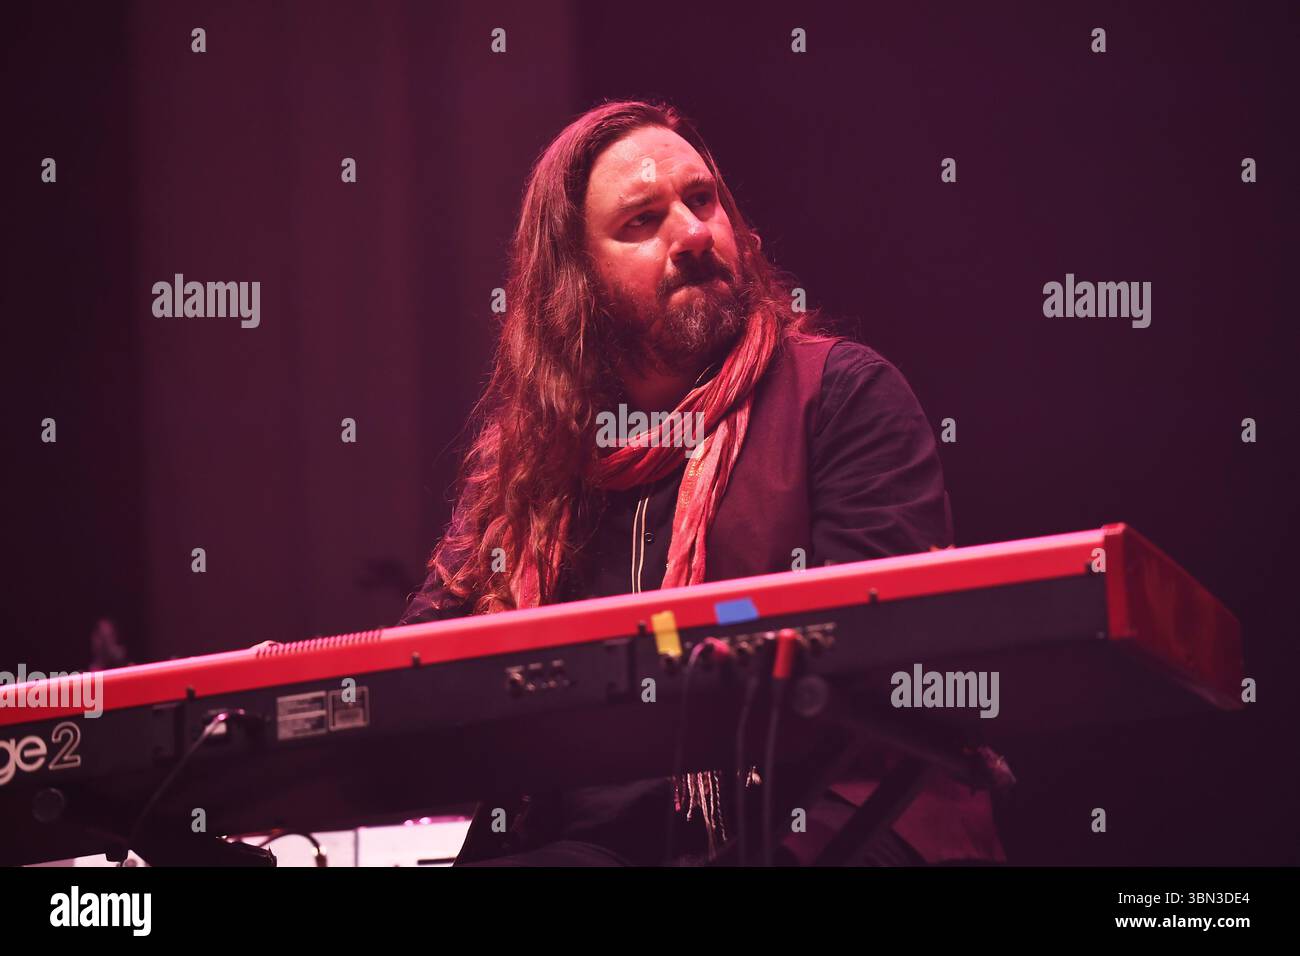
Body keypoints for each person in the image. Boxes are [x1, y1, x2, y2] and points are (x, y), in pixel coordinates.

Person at [399, 99, 1005, 866]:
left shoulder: (841, 395)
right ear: (573, 285)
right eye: (641, 221)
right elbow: (418, 674)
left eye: (701, 199)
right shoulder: (530, 468)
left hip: (823, 823)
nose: (690, 234)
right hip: (590, 844)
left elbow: (872, 651)